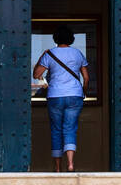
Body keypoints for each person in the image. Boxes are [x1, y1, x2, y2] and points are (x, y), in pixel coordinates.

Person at [32, 25, 89, 172]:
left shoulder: (49, 54)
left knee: (56, 130)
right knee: (70, 128)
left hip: (55, 95)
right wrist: (83, 91)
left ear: (55, 38)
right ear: (71, 38)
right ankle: (70, 163)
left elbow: (36, 75)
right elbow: (86, 77)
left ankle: (57, 167)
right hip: (74, 95)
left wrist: (42, 56)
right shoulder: (77, 53)